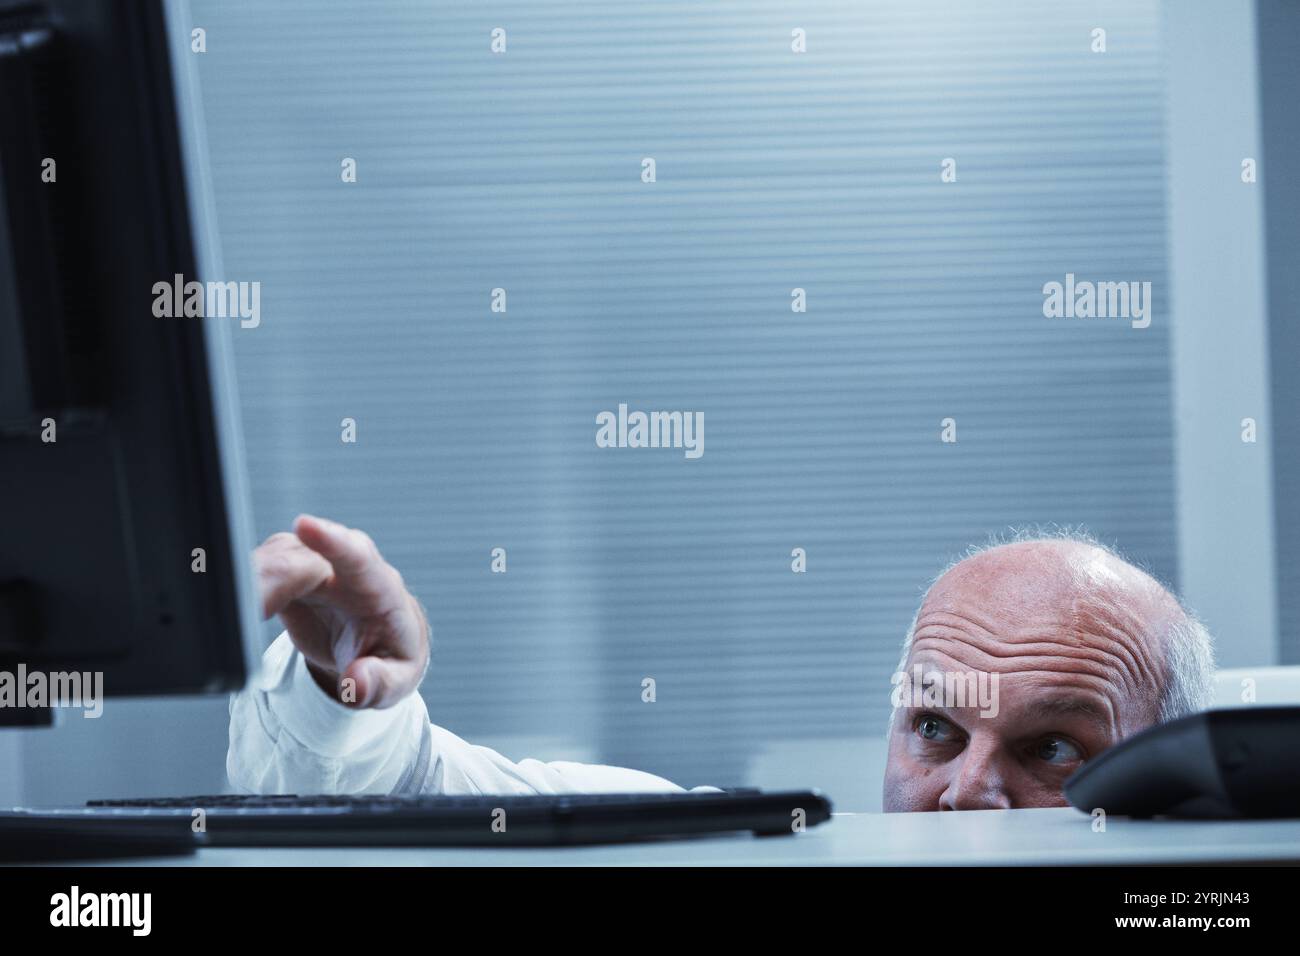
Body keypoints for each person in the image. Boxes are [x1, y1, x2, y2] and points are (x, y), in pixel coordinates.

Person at [227, 515, 1214, 809]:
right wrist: (342, 677)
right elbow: (403, 793)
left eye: (1049, 746)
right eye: (934, 727)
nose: (964, 790)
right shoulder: (722, 852)